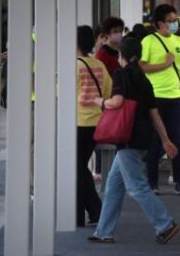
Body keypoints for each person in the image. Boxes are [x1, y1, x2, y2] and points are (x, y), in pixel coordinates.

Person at [88, 37, 180, 245]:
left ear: (121, 56)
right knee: (113, 186)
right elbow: (154, 114)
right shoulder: (144, 79)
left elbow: (117, 101)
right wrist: (166, 140)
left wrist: (100, 101)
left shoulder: (121, 74)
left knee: (136, 186)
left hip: (127, 137)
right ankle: (104, 231)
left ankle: (165, 224)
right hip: (143, 137)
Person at [140, 4, 180, 195]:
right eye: (171, 20)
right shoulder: (149, 41)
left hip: (176, 97)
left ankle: (179, 183)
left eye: (176, 20)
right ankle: (152, 183)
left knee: (177, 139)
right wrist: (164, 64)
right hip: (155, 97)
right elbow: (142, 67)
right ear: (160, 23)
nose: (175, 23)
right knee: (155, 141)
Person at [76, 25, 112, 227]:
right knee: (79, 166)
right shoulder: (98, 65)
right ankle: (81, 213)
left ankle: (96, 209)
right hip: (96, 122)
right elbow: (107, 90)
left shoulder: (74, 66)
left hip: (78, 122)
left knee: (77, 167)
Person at [93, 16, 125, 180]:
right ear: (106, 35)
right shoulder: (102, 55)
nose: (118, 35)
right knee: (107, 135)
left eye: (120, 31)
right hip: (109, 101)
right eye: (115, 32)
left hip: (118, 100)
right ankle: (101, 170)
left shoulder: (120, 51)